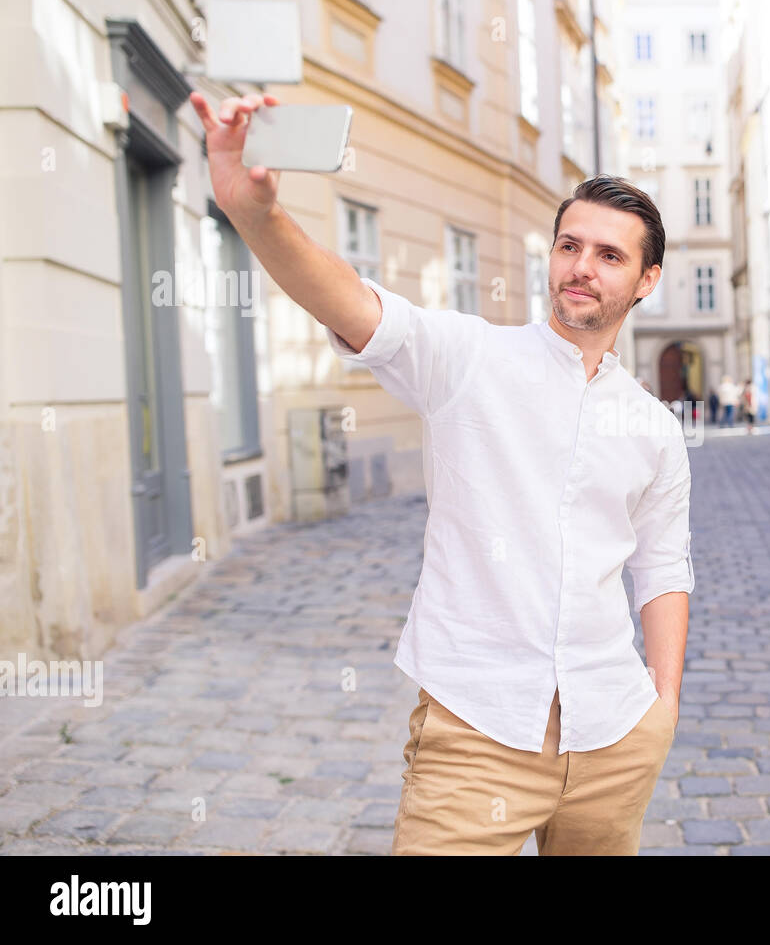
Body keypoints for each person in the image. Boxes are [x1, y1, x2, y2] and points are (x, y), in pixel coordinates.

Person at [191, 91, 693, 856]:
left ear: (646, 279)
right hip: (476, 734)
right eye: (569, 246)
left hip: (614, 737)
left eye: (608, 254)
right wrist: (254, 213)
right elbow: (354, 303)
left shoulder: (655, 427)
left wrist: (663, 706)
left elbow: (662, 568)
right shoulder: (468, 359)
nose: (580, 268)